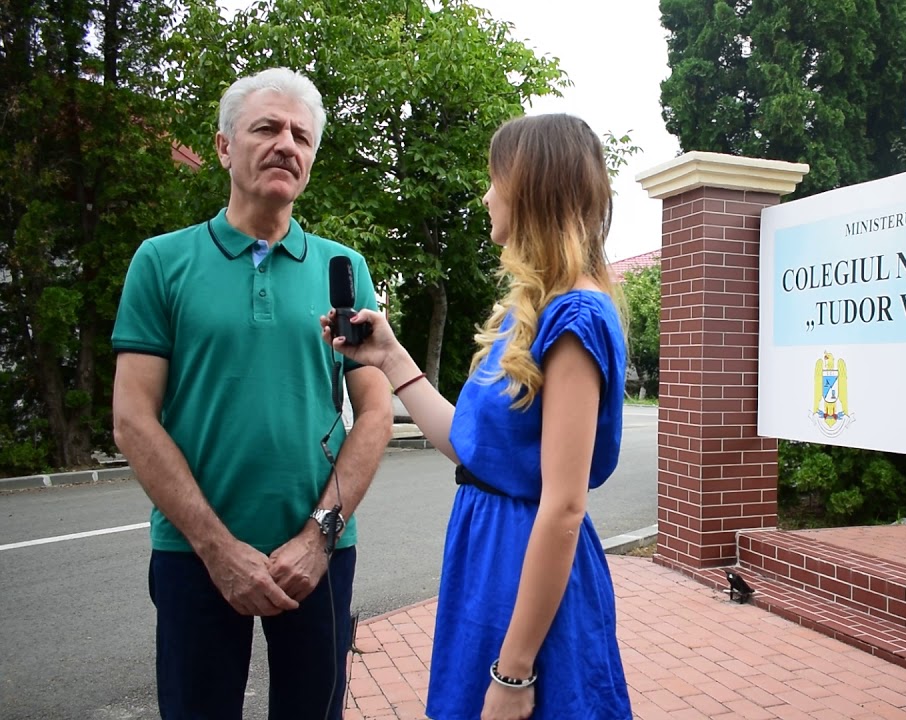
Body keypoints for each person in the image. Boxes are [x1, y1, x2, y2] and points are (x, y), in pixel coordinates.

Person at [322, 113, 632, 720]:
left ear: (533, 187)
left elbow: (564, 507)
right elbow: (471, 450)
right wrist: (388, 355)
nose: (487, 194)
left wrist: (515, 674)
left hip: (527, 574)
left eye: (496, 178)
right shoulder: (528, 315)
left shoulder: (576, 319)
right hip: (488, 564)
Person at [111, 67, 392, 719]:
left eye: (302, 135)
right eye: (266, 127)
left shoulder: (342, 270)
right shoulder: (161, 262)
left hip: (318, 557)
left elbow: (376, 414)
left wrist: (319, 537)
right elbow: (132, 418)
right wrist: (216, 546)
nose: (286, 144)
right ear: (222, 147)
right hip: (194, 555)